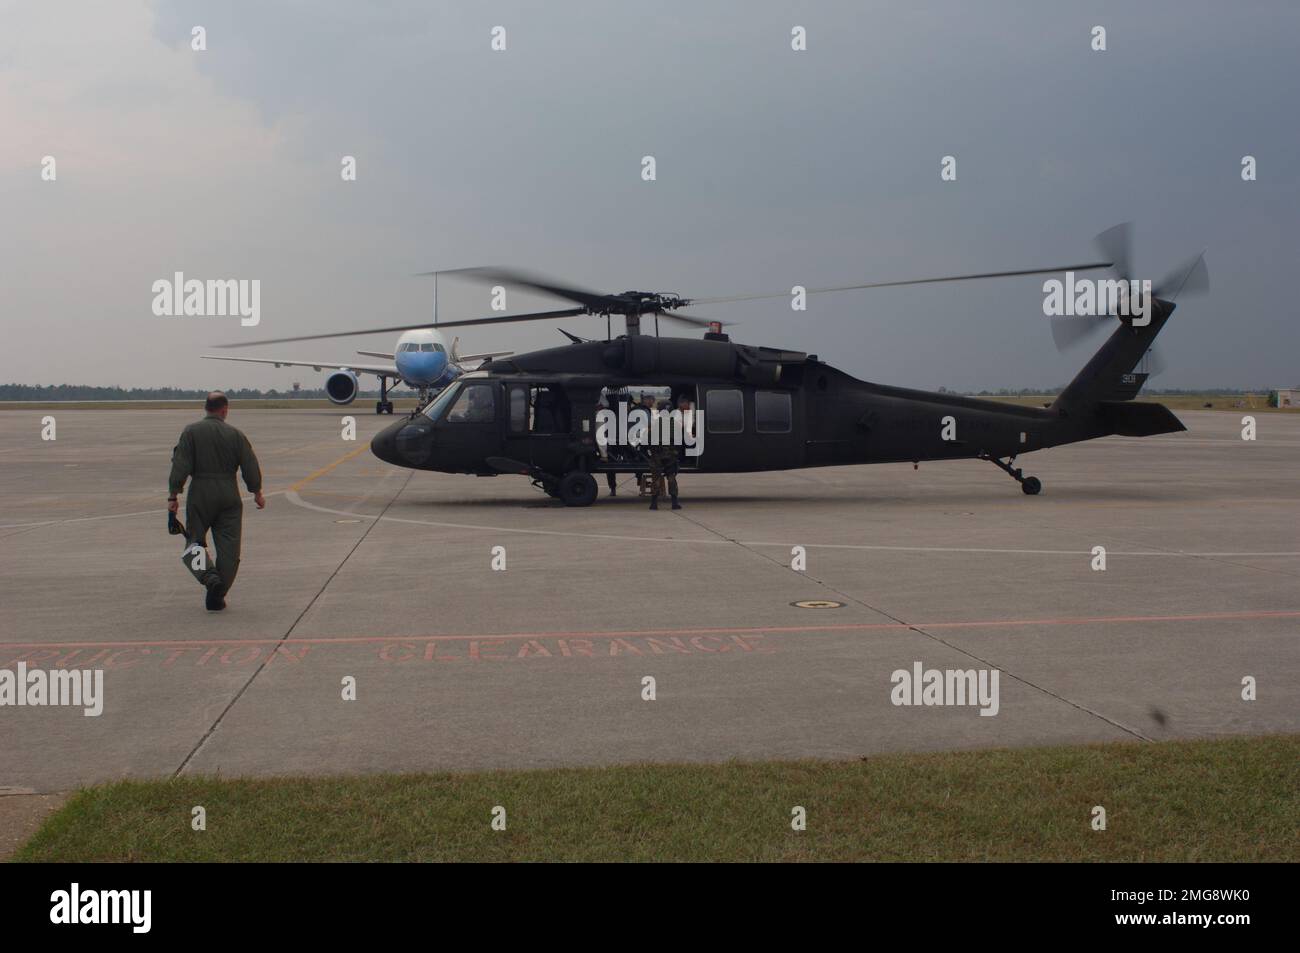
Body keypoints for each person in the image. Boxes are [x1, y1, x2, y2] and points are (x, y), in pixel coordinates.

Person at [168, 391, 265, 611]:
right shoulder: (236, 434)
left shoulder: (190, 432)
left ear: (206, 408)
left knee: (194, 544)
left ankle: (210, 580)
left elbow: (180, 465)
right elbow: (250, 465)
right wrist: (257, 492)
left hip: (200, 493)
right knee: (229, 550)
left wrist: (173, 495)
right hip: (229, 494)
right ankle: (218, 593)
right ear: (224, 410)